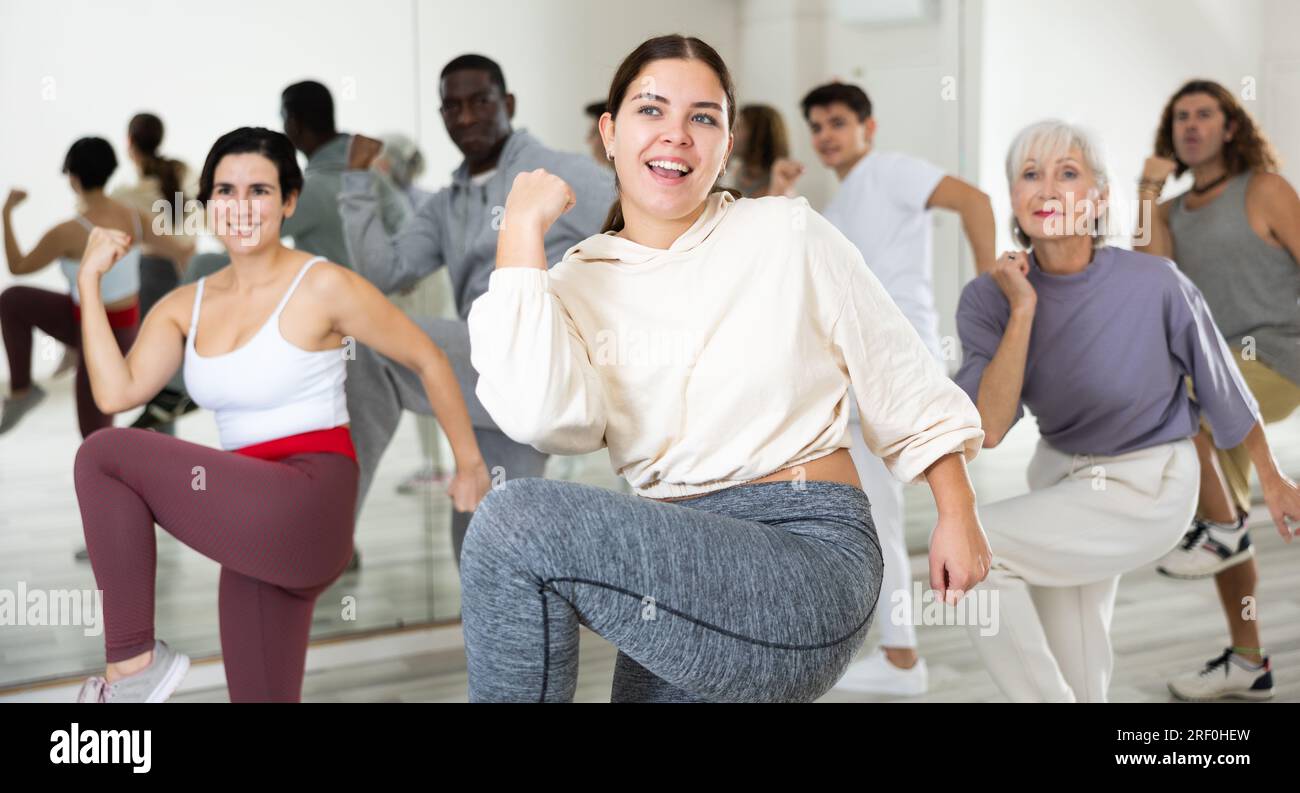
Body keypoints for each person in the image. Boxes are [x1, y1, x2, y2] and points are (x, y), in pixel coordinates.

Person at [459, 34, 990, 703]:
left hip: (806, 553)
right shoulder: (575, 283)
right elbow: (543, 416)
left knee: (513, 521)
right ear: (610, 133)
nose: (676, 134)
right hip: (679, 569)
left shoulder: (783, 232)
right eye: (651, 111)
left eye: (702, 117)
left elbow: (896, 366)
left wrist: (957, 507)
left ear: (727, 143)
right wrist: (521, 233)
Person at [70, 127, 489, 703]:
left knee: (103, 456)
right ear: (208, 203)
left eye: (260, 191)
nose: (241, 207)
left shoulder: (323, 284)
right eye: (226, 190)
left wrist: (469, 464)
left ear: (289, 201)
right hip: (250, 517)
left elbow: (427, 357)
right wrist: (90, 284)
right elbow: (116, 394)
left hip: (308, 500)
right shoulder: (183, 305)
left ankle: (132, 665)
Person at [956, 119, 1298, 703]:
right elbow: (987, 426)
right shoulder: (990, 297)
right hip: (1059, 477)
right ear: (1013, 195)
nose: (1047, 189)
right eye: (1030, 175)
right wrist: (1023, 311)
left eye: (1068, 173)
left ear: (1099, 198)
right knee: (1080, 656)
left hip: (1149, 482)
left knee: (971, 554)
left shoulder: (1155, 282)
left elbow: (1221, 386)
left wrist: (1273, 478)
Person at [338, 53, 615, 565]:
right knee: (485, 540)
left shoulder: (563, 171)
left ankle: (329, 531)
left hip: (547, 364)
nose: (466, 117)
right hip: (492, 378)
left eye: (480, 102)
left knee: (369, 346)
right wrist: (356, 181)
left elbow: (641, 231)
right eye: (453, 107)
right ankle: (509, 639)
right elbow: (385, 273)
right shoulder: (445, 205)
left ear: (506, 104)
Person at [790, 81, 996, 695]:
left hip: (899, 367)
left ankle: (904, 654)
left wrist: (986, 289)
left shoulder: (891, 170)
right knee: (873, 513)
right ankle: (899, 653)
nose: (827, 135)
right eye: (818, 126)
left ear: (868, 127)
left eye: (838, 122)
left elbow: (977, 201)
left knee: (888, 512)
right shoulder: (837, 203)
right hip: (855, 372)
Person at [1133, 79, 1300, 700]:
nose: (1192, 125)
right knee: (1221, 512)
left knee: (1174, 395)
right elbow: (1154, 277)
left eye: (1205, 114)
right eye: (1181, 117)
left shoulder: (1266, 189)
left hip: (1280, 357)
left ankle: (1232, 520)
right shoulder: (1171, 211)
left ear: (1231, 127)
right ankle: (1249, 658)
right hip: (1213, 381)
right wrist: (1148, 189)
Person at [2, 137, 191, 437]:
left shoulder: (66, 232)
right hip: (110, 324)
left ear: (73, 178)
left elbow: (18, 265)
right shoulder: (134, 218)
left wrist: (6, 212)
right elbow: (183, 251)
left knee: (95, 437)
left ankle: (24, 388)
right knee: (13, 300)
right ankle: (26, 391)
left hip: (100, 335)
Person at [727, 104, 791, 198]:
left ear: (758, 136)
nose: (731, 133)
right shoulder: (732, 173)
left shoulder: (781, 186)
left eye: (739, 127)